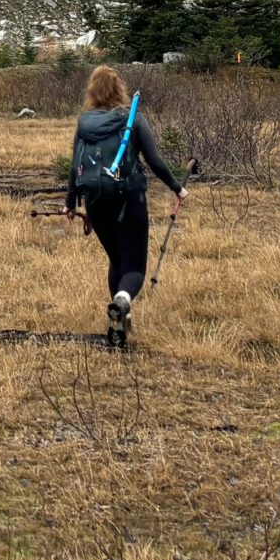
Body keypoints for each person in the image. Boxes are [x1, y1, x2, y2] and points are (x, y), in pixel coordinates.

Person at [64, 64, 186, 348]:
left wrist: (70, 202)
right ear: (120, 88)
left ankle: (118, 323)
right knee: (134, 268)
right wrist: (178, 188)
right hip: (129, 198)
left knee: (116, 259)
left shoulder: (84, 123)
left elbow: (74, 166)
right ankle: (122, 301)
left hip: (95, 201)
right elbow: (154, 161)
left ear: (92, 91)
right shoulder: (132, 120)